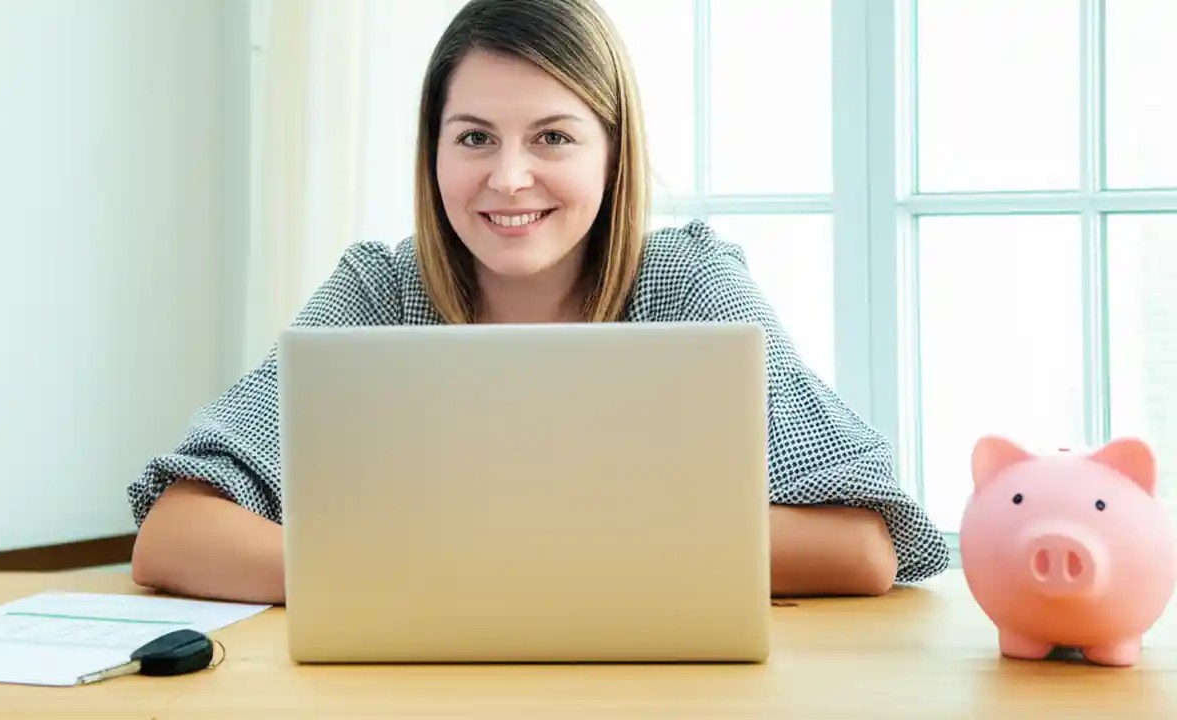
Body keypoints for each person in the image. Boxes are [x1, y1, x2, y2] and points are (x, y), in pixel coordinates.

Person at [127, 0, 949, 605]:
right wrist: (518, 564)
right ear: (434, 152)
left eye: (553, 136)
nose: (508, 177)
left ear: (612, 152)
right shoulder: (380, 291)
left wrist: (472, 557)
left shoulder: (689, 287)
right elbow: (176, 534)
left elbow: (859, 547)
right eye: (475, 137)